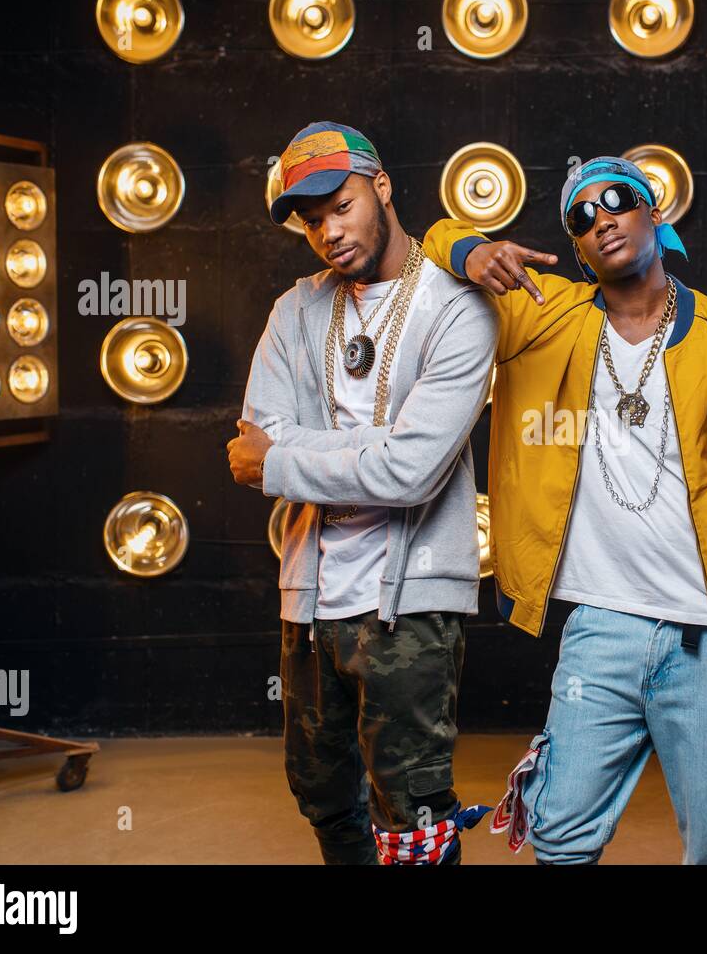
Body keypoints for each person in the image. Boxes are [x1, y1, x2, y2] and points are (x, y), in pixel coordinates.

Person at [420, 155, 707, 864]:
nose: (601, 221)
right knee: (558, 836)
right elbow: (433, 240)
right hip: (600, 627)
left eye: (617, 201)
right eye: (581, 218)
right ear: (575, 248)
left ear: (655, 212)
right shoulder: (545, 315)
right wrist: (477, 253)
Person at [226, 121, 497, 865]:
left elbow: (413, 471)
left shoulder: (457, 307)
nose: (328, 232)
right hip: (309, 596)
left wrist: (291, 455)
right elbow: (251, 450)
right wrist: (363, 451)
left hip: (410, 604)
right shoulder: (296, 308)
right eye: (312, 221)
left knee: (410, 802)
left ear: (381, 187)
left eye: (340, 206)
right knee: (318, 788)